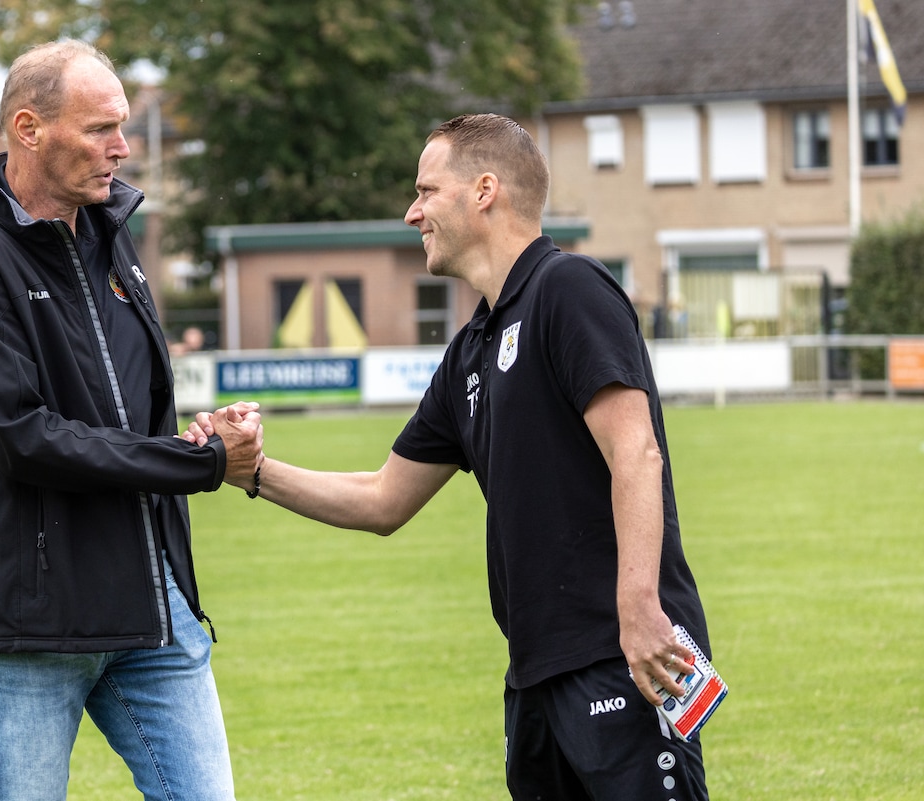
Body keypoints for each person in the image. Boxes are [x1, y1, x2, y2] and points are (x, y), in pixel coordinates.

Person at [187, 114, 713, 800]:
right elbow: (383, 498)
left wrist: (641, 611)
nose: (412, 212)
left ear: (484, 190)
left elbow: (636, 453)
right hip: (533, 673)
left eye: (427, 190)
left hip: (623, 654)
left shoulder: (569, 290)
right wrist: (251, 470)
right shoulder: (471, 348)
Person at [0, 39, 262, 801]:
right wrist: (196, 465)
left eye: (122, 127)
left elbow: (130, 409)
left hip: (154, 609)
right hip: (32, 627)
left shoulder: (113, 234)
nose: (123, 147)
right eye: (101, 128)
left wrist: (200, 436)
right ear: (30, 128)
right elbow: (22, 437)